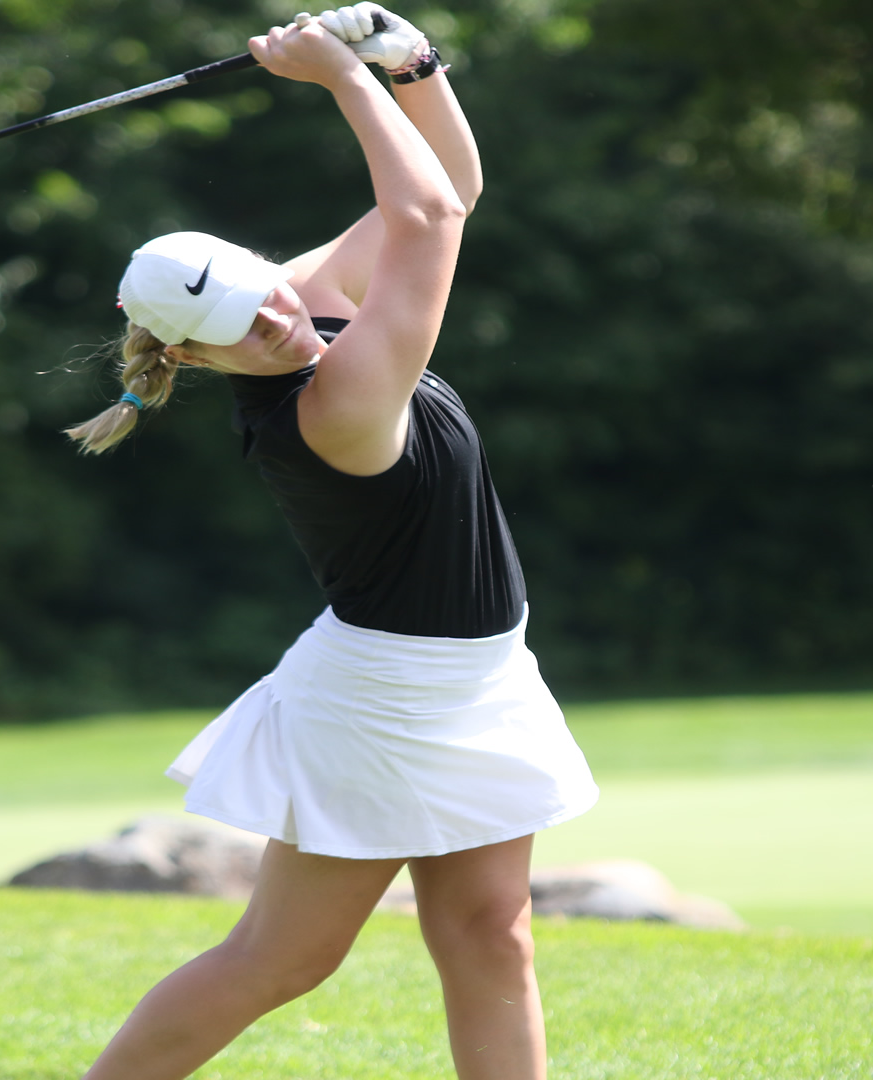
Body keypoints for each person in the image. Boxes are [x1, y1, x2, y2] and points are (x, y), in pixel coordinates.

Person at [65, 7, 599, 1079]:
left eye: (261, 292)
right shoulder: (332, 408)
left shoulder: (303, 306)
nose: (273, 320)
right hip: (385, 702)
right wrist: (335, 80)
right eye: (238, 331)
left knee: (493, 933)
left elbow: (452, 179)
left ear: (261, 267)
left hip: (483, 674)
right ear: (197, 359)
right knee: (283, 960)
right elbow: (432, 218)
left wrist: (407, 62)